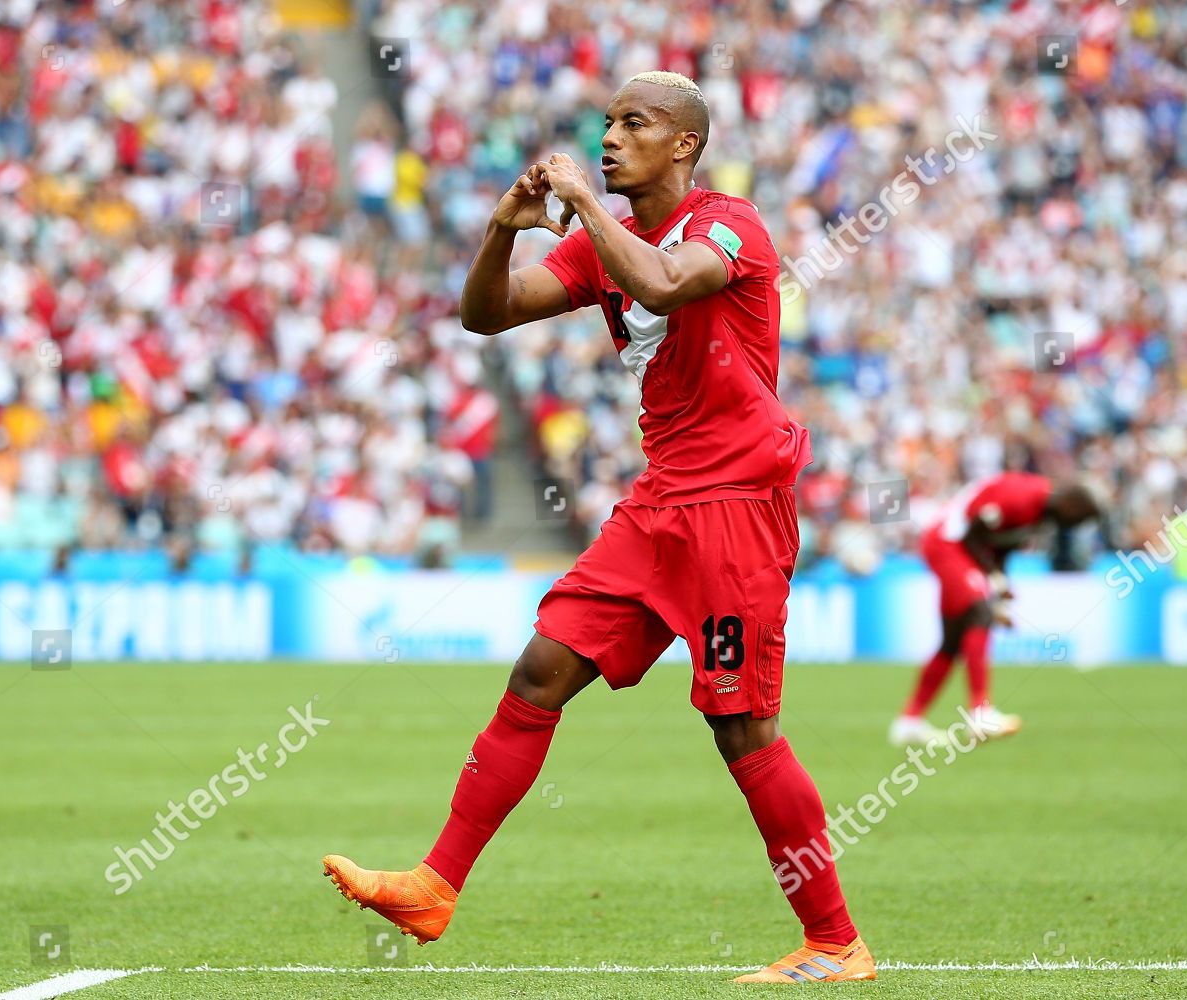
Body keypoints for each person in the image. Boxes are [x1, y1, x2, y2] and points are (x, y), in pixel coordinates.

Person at [323, 71, 876, 984]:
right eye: (607, 122)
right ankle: (435, 885)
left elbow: (660, 284)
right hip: (659, 504)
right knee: (540, 671)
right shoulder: (600, 249)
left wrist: (581, 199)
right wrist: (504, 226)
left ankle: (834, 941)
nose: (610, 137)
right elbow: (484, 314)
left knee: (745, 732)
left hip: (737, 507)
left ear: (685, 145)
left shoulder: (727, 224)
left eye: (636, 123)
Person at [889, 473, 1102, 747]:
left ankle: (909, 721)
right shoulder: (1021, 498)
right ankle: (980, 712)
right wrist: (993, 581)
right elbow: (973, 534)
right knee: (980, 613)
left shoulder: (1040, 514)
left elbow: (1001, 545)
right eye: (1078, 520)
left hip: (961, 549)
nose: (1073, 526)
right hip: (947, 542)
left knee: (951, 643)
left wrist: (999, 589)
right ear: (1071, 507)